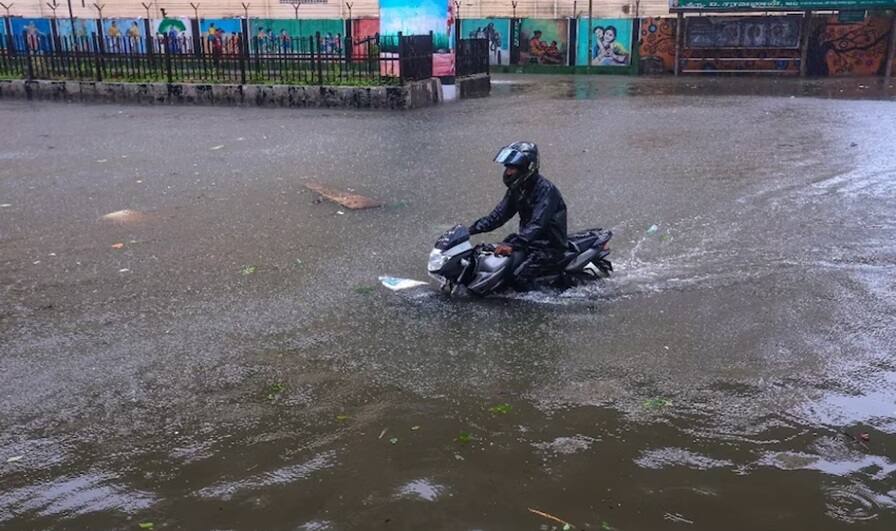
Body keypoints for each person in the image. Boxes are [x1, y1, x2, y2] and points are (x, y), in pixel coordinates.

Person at [468, 142, 568, 291]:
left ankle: (536, 301)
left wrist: (513, 245)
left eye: (513, 168)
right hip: (528, 243)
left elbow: (537, 225)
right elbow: (498, 216)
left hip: (549, 247)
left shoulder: (546, 191)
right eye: (507, 167)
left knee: (519, 277)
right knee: (493, 261)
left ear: (527, 168)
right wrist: (470, 230)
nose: (508, 173)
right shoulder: (517, 189)